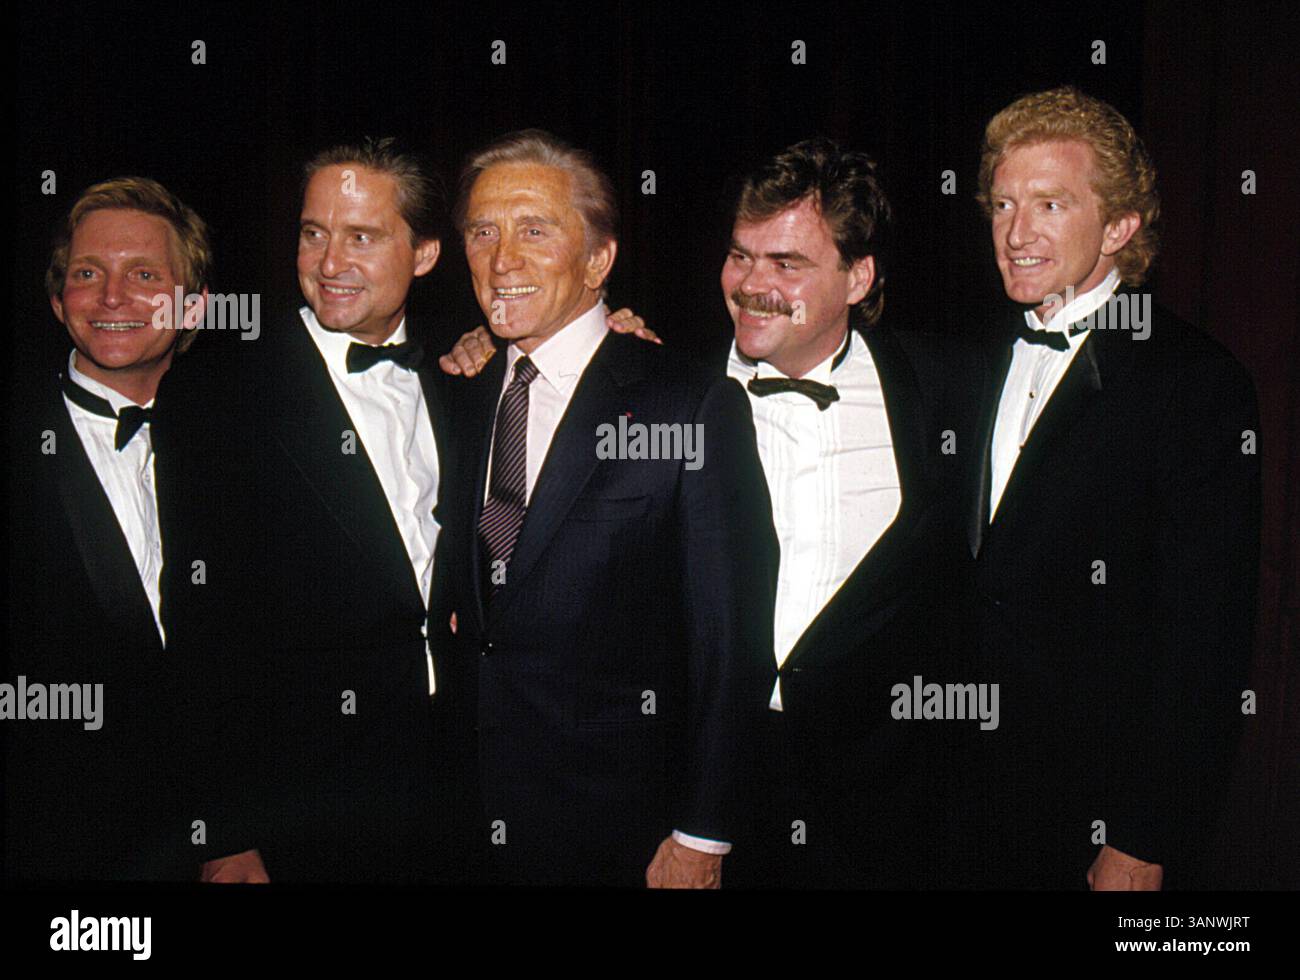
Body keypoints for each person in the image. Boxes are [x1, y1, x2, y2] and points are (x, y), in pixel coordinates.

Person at [441, 138, 974, 888]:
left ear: (859, 277)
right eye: (739, 256)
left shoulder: (948, 390)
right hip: (686, 792)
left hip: (879, 796)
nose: (753, 285)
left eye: (786, 264)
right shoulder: (664, 372)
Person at [440, 129, 779, 887]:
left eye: (535, 230)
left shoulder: (688, 404)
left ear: (599, 260)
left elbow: (733, 642)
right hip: (469, 824)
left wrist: (704, 833)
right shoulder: (464, 393)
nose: (503, 259)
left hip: (626, 837)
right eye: (483, 232)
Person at [964, 86, 1261, 889]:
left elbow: (1207, 641)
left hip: (1093, 821)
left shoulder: (1196, 384)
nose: (1016, 232)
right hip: (952, 809)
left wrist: (1144, 838)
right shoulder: (966, 359)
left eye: (1050, 204)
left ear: (1121, 227)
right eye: (1001, 204)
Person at [174, 138, 466, 883]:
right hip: (296, 808)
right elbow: (197, 626)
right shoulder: (220, 390)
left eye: (361, 237)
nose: (329, 263)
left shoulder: (463, 379)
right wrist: (223, 829)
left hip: (456, 785)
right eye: (313, 233)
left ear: (425, 253)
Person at [4, 177, 209, 881]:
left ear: (194, 307)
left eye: (144, 274)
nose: (113, 297)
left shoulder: (243, 443)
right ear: (60, 300)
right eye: (89, 274)